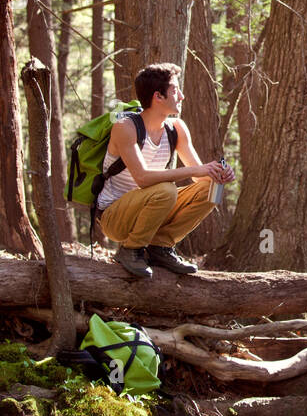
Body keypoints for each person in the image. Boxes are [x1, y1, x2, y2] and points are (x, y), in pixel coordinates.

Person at [98, 63, 234, 279]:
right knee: (166, 190)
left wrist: (217, 173)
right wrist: (199, 169)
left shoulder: (177, 129)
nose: (181, 96)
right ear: (158, 97)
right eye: (175, 90)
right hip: (115, 217)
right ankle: (131, 250)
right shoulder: (125, 127)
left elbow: (199, 177)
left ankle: (160, 247)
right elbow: (142, 178)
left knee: (213, 189)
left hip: (152, 209)